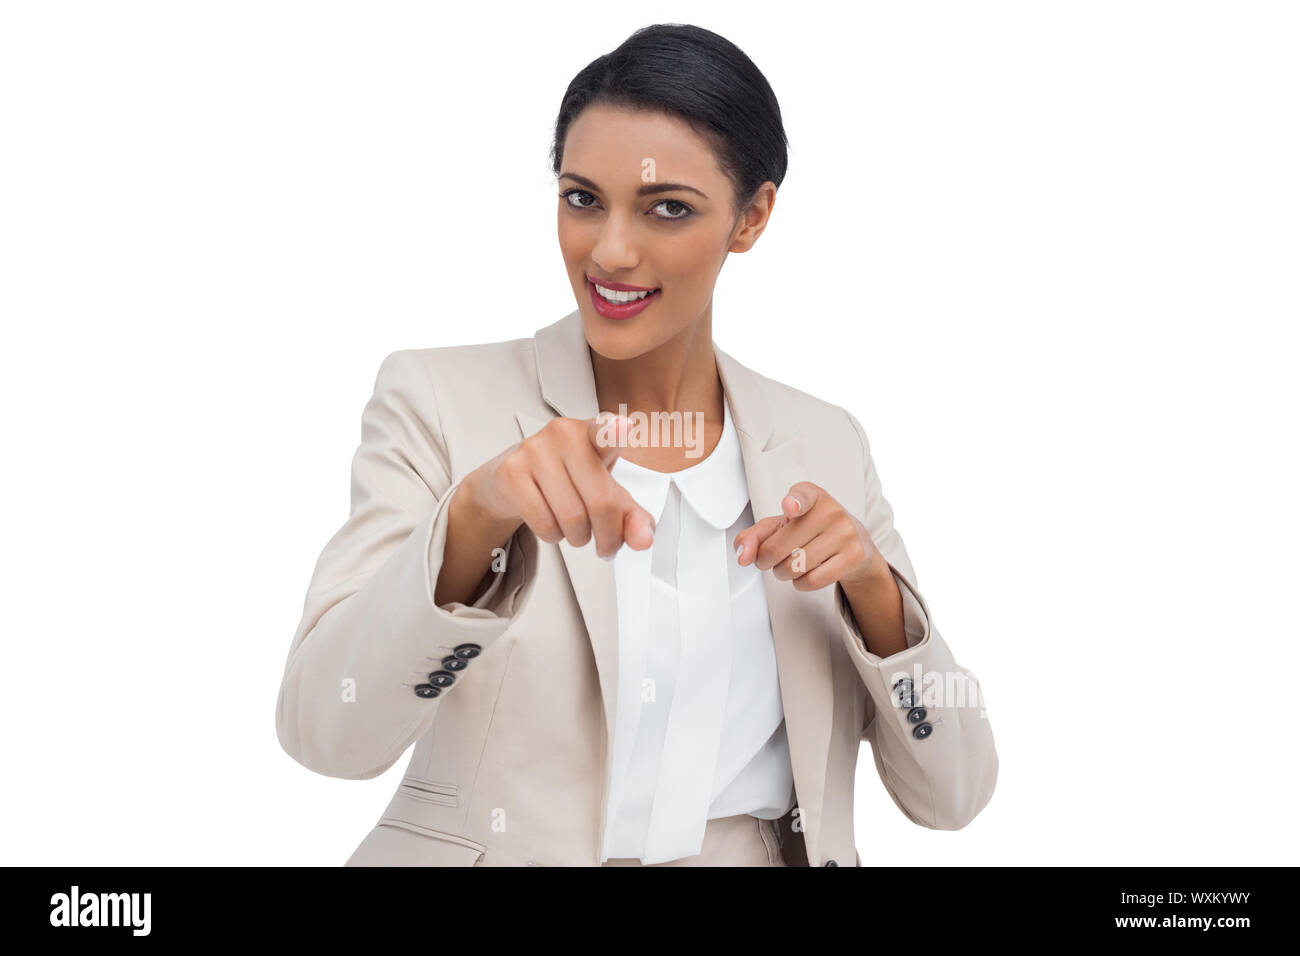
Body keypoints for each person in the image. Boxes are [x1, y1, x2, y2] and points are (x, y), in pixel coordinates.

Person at [275, 22, 998, 867]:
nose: (610, 252)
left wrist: (875, 596)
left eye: (667, 209)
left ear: (753, 216)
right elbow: (324, 733)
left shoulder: (824, 444)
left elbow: (955, 795)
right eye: (582, 198)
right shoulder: (438, 402)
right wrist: (473, 520)